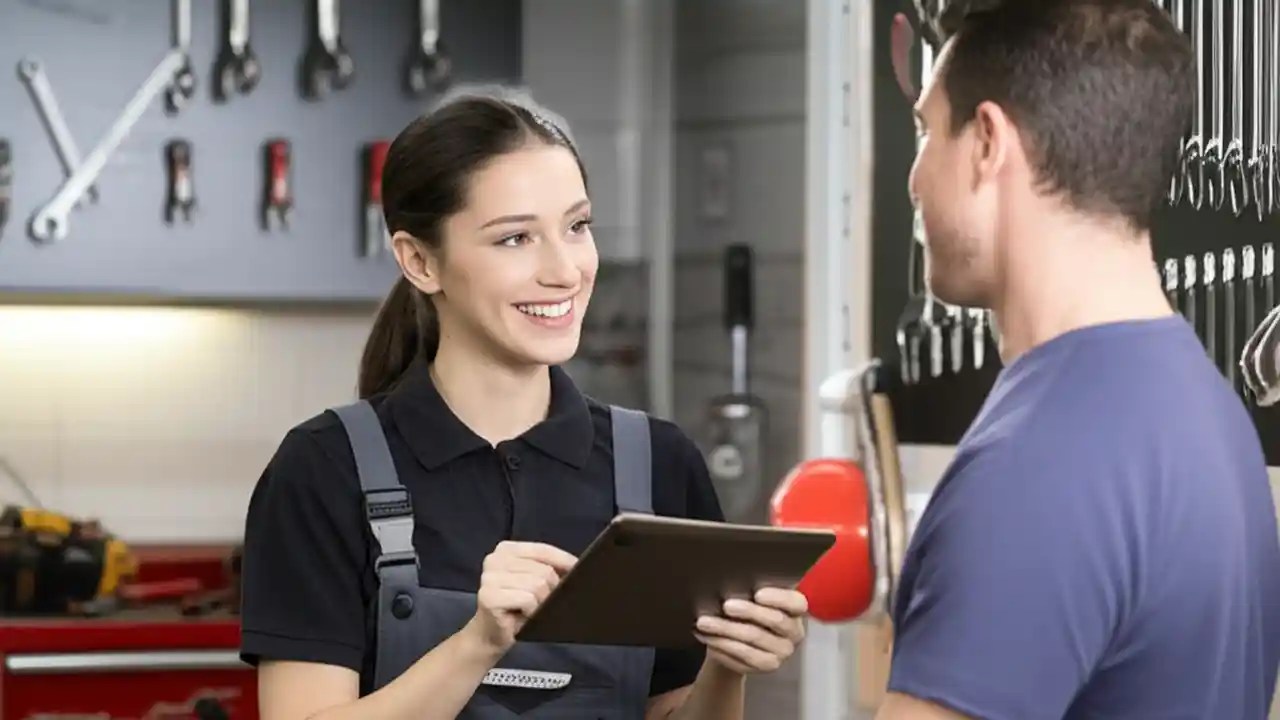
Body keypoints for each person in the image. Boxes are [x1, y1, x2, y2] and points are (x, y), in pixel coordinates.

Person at [237, 87, 810, 720]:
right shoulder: (323, 470)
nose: (564, 270)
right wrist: (478, 644)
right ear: (420, 261)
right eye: (515, 239)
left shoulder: (659, 465)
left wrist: (729, 666)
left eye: (577, 226)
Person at [880, 1, 1280, 718]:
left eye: (924, 131)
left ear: (987, 144)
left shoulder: (1034, 468)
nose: (912, 178)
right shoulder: (1210, 410)